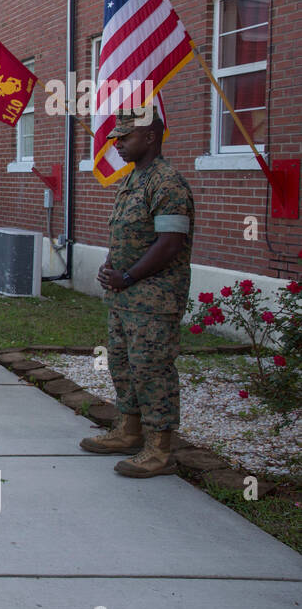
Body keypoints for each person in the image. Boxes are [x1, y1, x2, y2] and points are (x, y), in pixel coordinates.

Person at [81, 107, 194, 478]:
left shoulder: (167, 183)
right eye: (116, 138)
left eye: (124, 138)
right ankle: (129, 430)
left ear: (149, 137)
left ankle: (160, 449)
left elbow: (170, 243)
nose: (117, 145)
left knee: (152, 371)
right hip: (124, 297)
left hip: (153, 299)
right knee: (122, 365)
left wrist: (127, 276)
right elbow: (125, 232)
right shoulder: (133, 180)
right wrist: (111, 266)